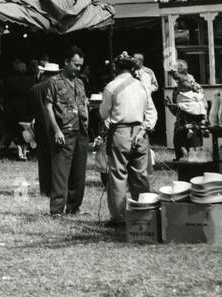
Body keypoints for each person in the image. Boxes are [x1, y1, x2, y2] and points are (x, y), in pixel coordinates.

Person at [100, 52, 157, 227]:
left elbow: (103, 113)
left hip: (120, 132)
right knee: (140, 175)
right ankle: (145, 213)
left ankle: (119, 217)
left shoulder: (111, 86)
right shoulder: (142, 86)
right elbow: (152, 112)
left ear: (116, 68)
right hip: (140, 132)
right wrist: (144, 129)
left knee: (118, 174)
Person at [44, 48, 89, 216]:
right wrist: (56, 130)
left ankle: (74, 207)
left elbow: (83, 104)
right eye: (76, 64)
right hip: (64, 131)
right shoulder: (54, 82)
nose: (79, 68)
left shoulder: (80, 82)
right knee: (61, 172)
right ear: (66, 62)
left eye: (81, 65)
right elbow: (48, 107)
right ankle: (56, 210)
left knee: (79, 173)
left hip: (81, 131)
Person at [166, 63, 209, 159]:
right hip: (179, 128)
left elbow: (204, 107)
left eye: (175, 75)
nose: (174, 79)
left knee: (194, 157)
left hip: (193, 129)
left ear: (184, 73)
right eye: (172, 76)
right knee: (181, 159)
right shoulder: (176, 90)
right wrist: (170, 106)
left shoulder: (196, 87)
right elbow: (176, 113)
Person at [29, 62, 60, 195]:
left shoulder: (34, 89)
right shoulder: (58, 87)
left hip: (40, 127)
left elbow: (31, 110)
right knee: (58, 158)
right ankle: (57, 187)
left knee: (43, 159)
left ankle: (45, 189)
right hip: (56, 127)